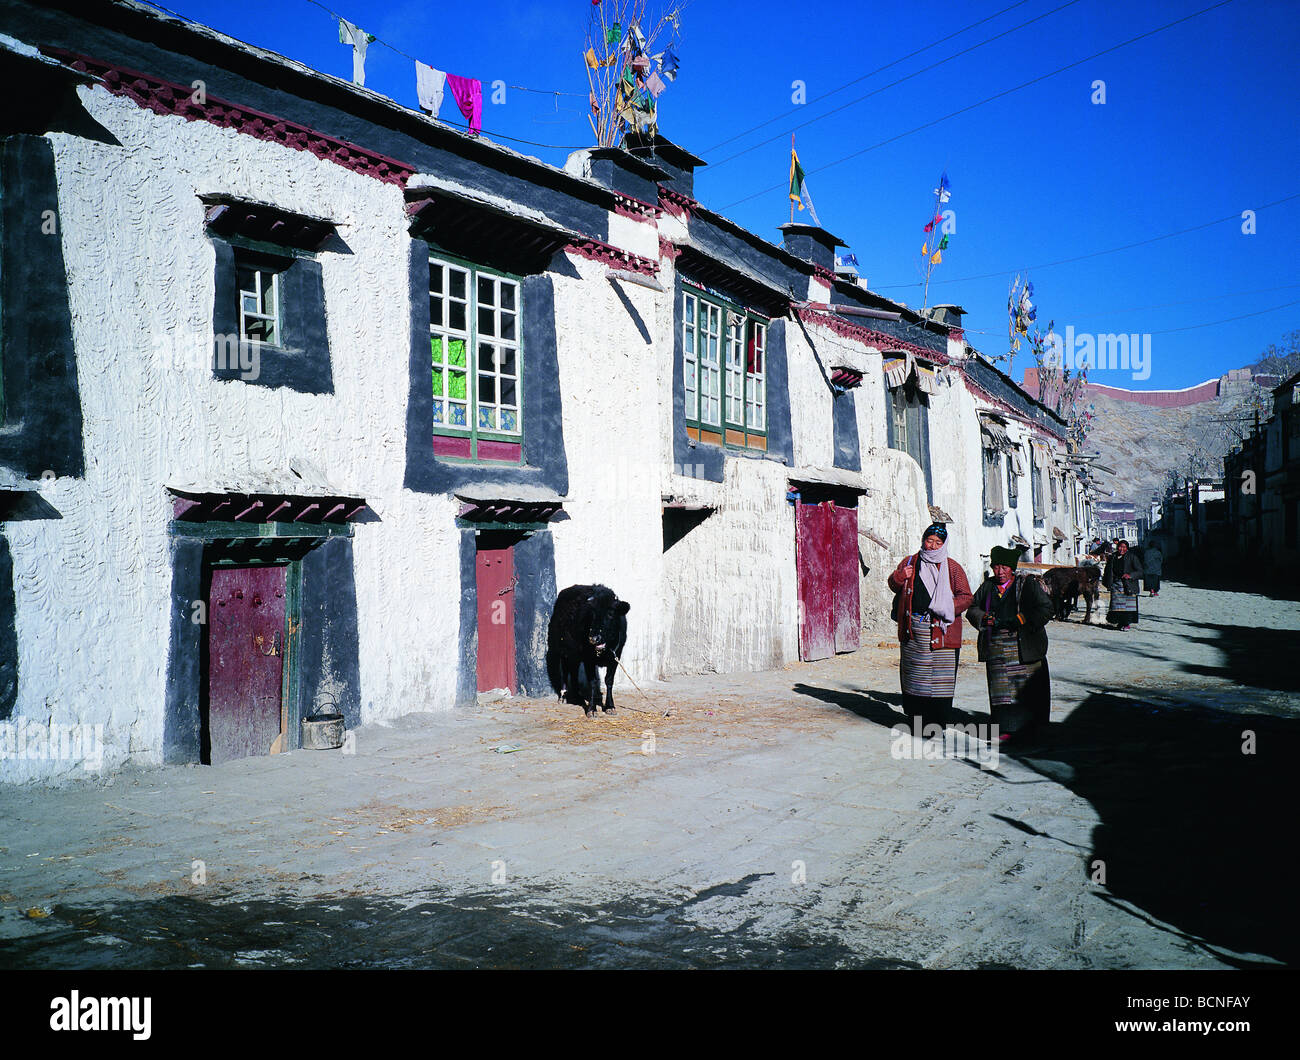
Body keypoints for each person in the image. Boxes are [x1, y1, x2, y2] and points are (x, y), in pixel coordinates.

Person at [887, 524, 973, 730]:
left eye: (938, 542)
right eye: (929, 540)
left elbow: (966, 597)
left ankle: (937, 724)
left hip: (942, 632)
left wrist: (945, 606)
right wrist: (901, 576)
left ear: (943, 544)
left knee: (940, 682)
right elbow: (893, 584)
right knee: (915, 679)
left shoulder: (952, 567)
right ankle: (916, 724)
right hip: (914, 631)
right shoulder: (910, 562)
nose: (933, 546)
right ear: (923, 540)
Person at [967, 546, 1054, 743]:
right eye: (996, 567)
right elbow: (972, 608)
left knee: (1027, 692)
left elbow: (1047, 608)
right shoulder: (988, 587)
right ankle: (1006, 728)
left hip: (1024, 648)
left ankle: (1030, 730)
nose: (999, 572)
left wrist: (1023, 619)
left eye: (1004, 568)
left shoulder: (1027, 585)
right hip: (997, 649)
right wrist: (983, 618)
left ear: (1012, 569)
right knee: (1001, 693)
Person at [1102, 539, 1143, 629]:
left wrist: (1130, 575)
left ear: (1127, 548)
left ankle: (1126, 624)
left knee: (1127, 607)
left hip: (1129, 585)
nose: (1121, 549)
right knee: (1117, 606)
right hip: (1116, 585)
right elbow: (1108, 571)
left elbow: (1140, 572)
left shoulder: (1132, 557)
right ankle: (1120, 623)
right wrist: (1107, 582)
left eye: (1124, 547)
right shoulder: (1113, 557)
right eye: (1120, 547)